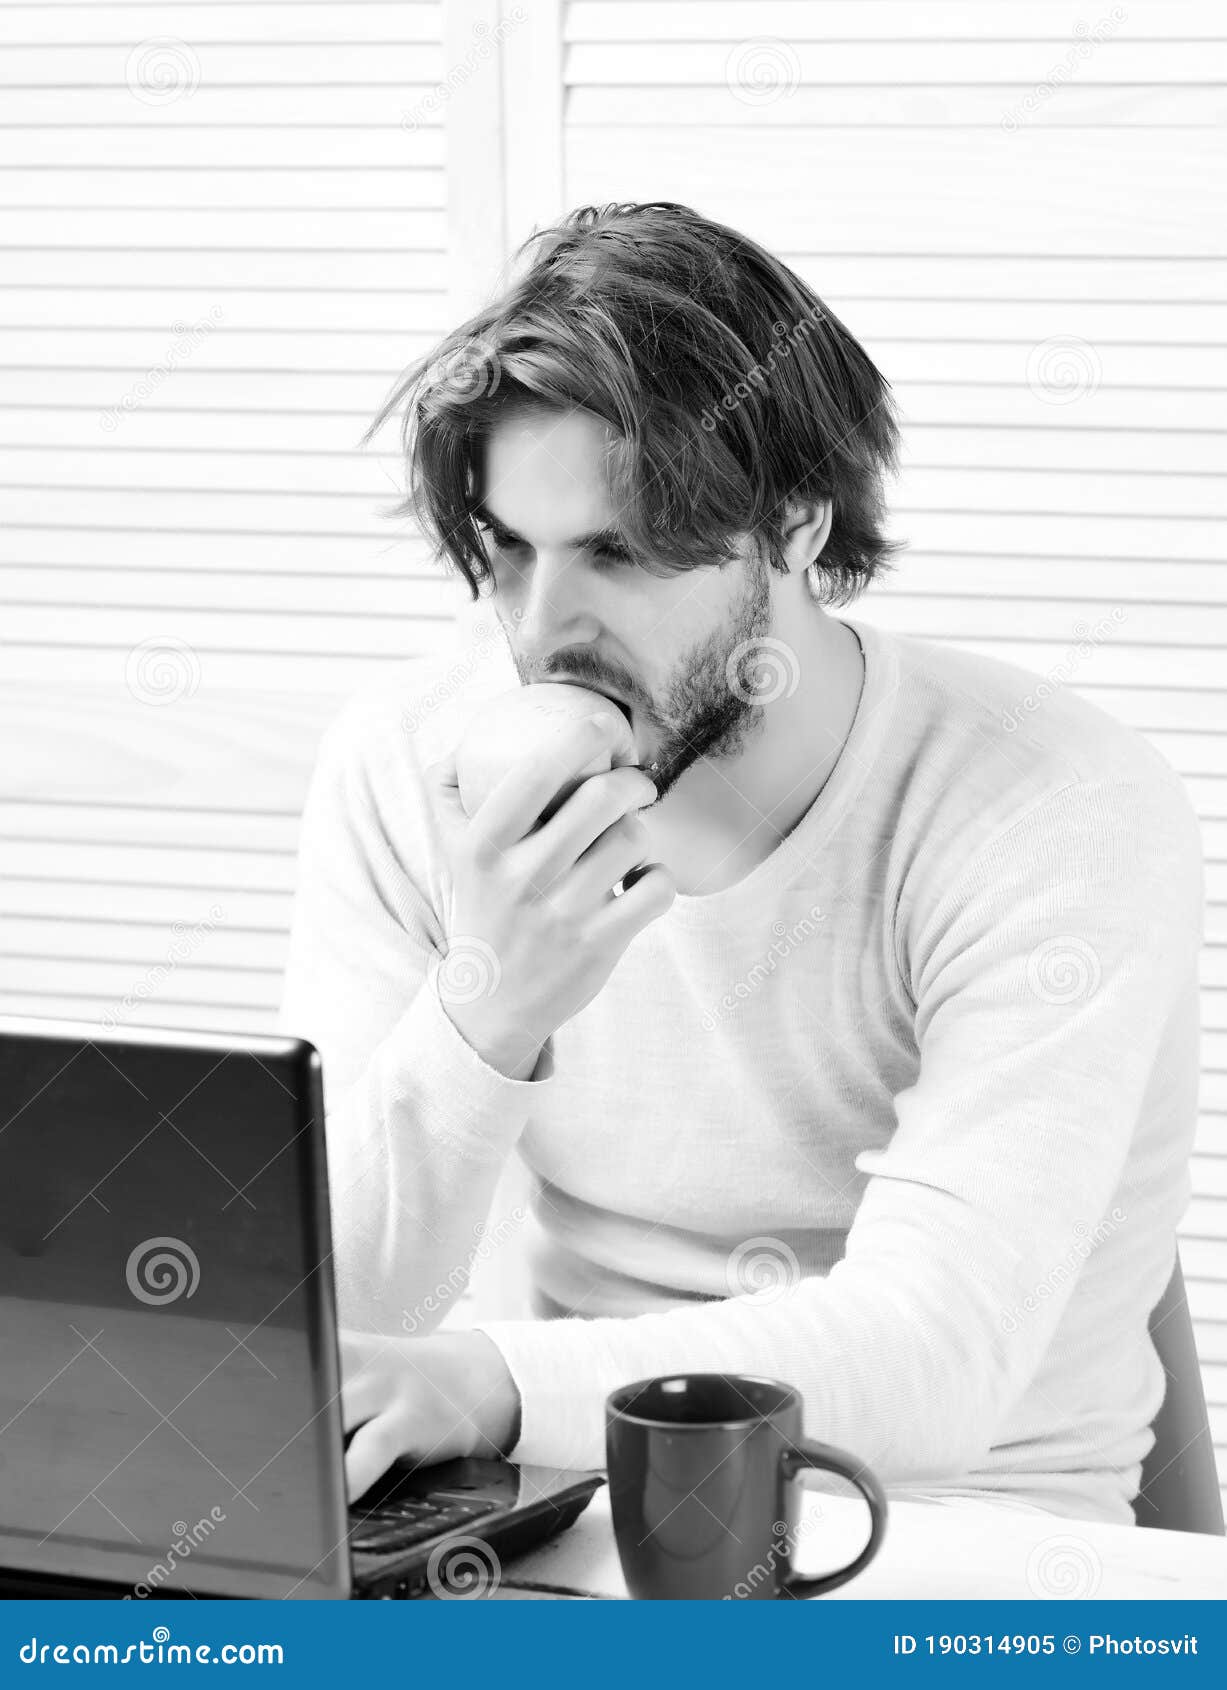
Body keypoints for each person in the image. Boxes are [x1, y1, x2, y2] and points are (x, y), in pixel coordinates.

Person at [279, 202, 1203, 1524]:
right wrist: (487, 1013)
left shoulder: (1049, 806)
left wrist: (490, 1382)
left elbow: (935, 1353)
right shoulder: (407, 768)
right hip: (572, 1528)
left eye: (618, 553)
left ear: (801, 523)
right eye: (510, 556)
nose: (546, 632)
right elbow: (325, 1327)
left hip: (963, 1548)